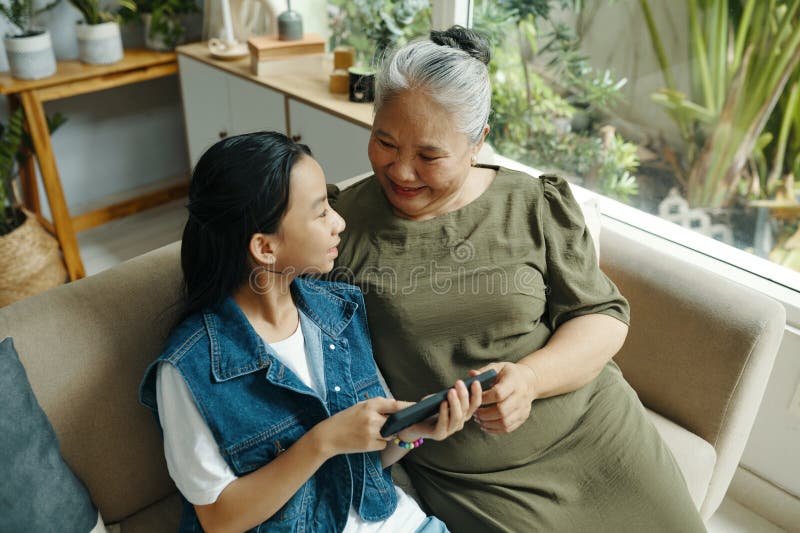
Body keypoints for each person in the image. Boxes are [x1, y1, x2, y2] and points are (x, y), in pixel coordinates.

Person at [328, 26, 707, 532]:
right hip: (481, 481)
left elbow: (602, 317)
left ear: (477, 143)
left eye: (428, 156)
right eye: (384, 141)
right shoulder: (338, 229)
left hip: (598, 433)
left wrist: (528, 380)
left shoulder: (532, 203)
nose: (400, 170)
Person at [139, 131, 483, 533]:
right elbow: (219, 519)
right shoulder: (190, 369)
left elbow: (368, 455)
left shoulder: (339, 310)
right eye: (321, 212)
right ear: (265, 248)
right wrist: (323, 442)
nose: (339, 222)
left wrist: (410, 431)